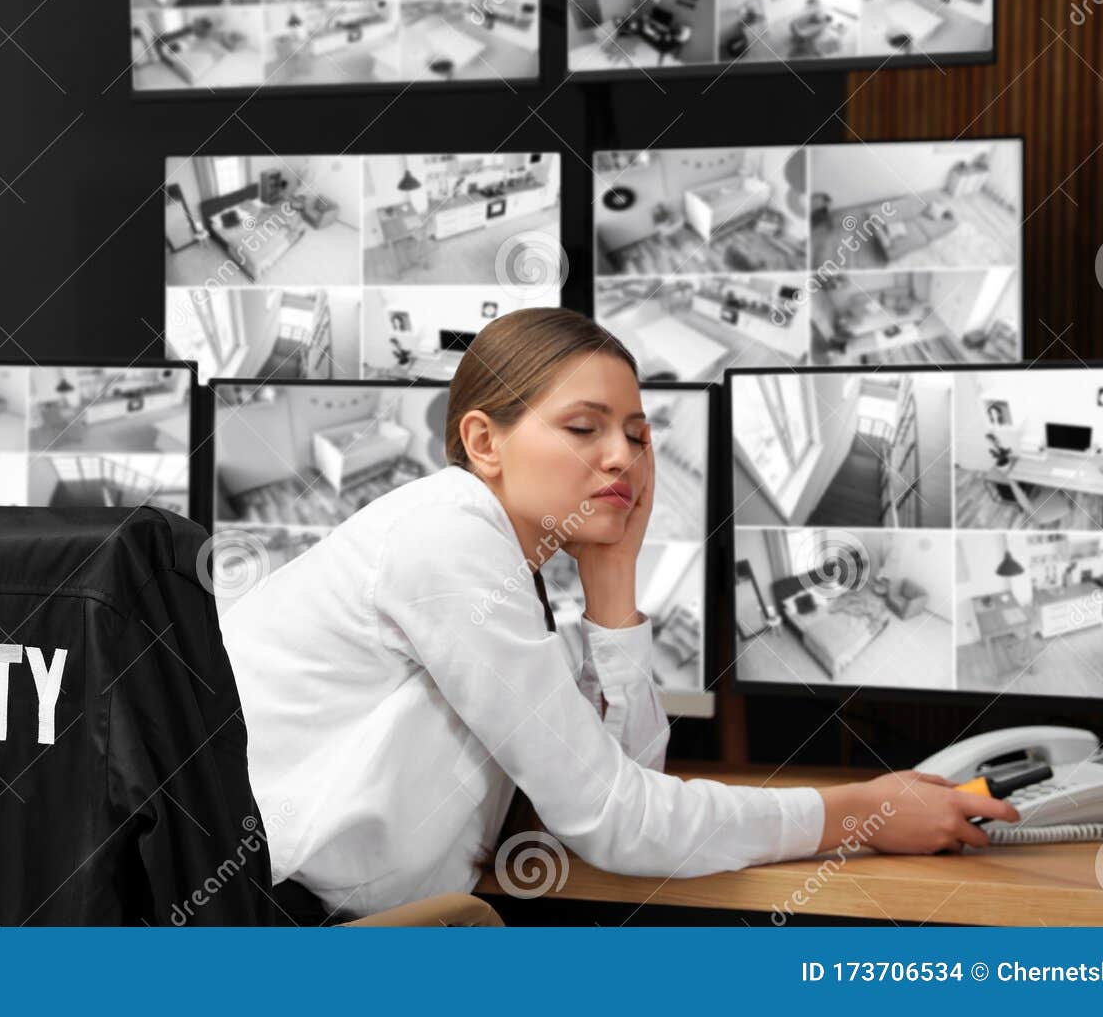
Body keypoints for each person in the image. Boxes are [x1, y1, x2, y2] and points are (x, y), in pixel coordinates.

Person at [220, 307, 1019, 923]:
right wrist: (860, 811)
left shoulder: (508, 571)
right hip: (286, 927)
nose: (623, 457)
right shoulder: (445, 534)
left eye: (636, 434)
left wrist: (612, 579)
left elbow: (621, 783)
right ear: (482, 441)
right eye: (584, 427)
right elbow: (615, 819)